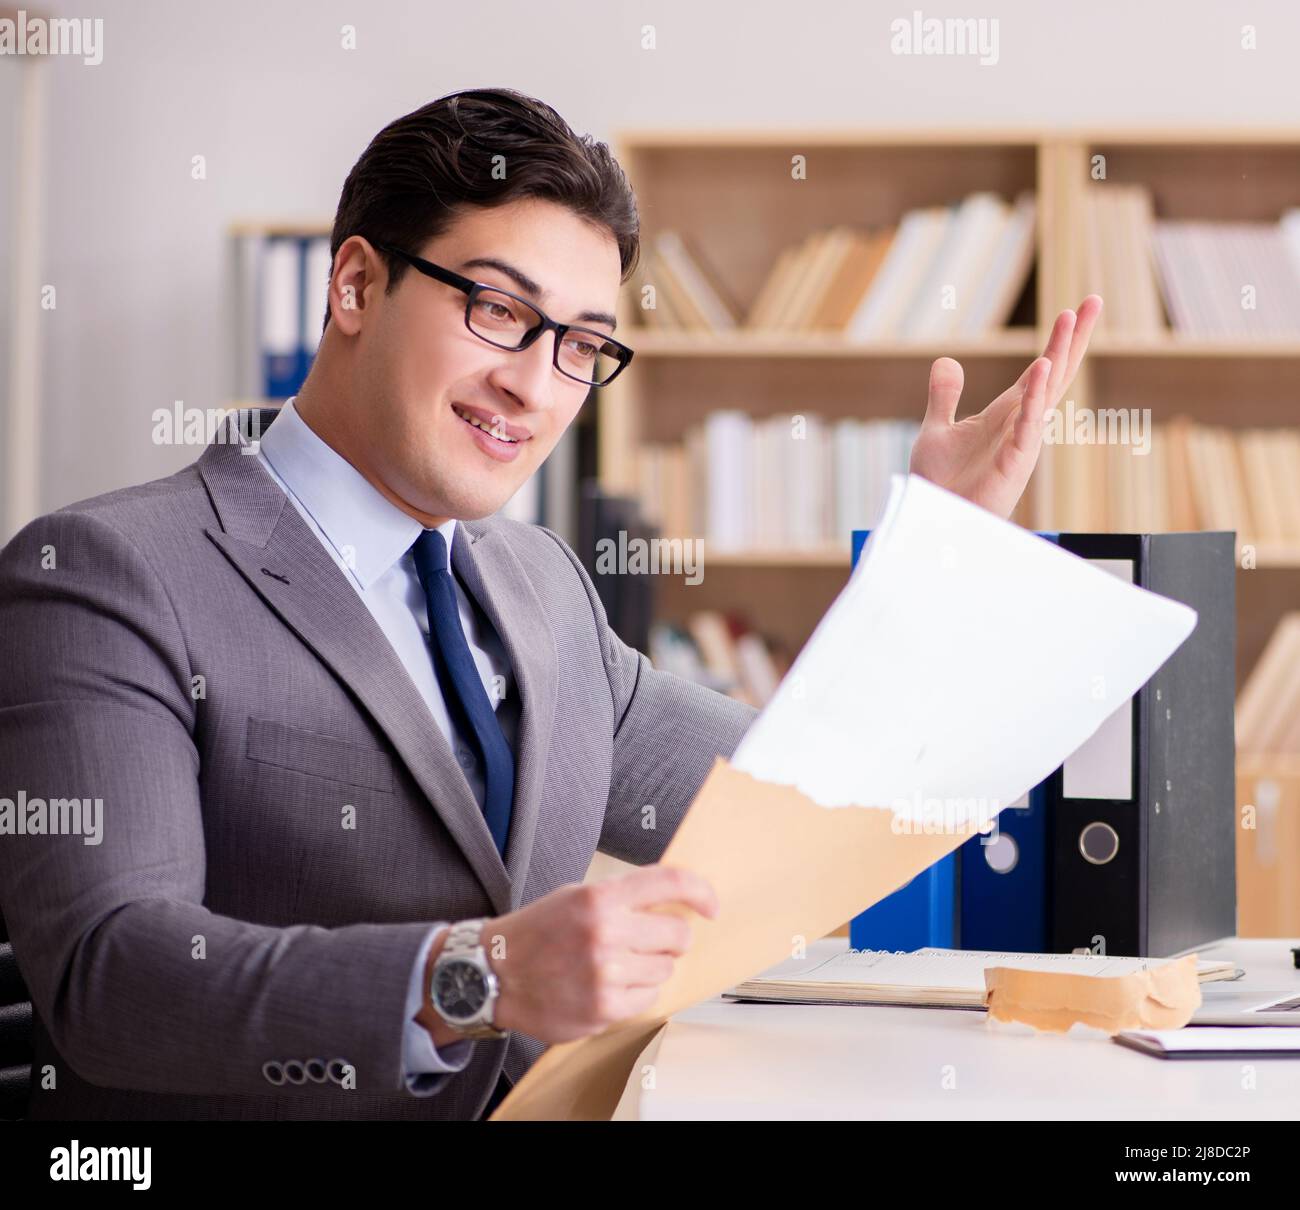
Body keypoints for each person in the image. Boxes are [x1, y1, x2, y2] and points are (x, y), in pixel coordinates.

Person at [0, 86, 1100, 1120]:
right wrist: (475, 974)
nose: (533, 387)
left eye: (579, 344)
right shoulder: (110, 569)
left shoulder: (541, 588)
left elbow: (806, 800)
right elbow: (112, 975)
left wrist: (933, 560)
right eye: (496, 310)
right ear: (353, 287)